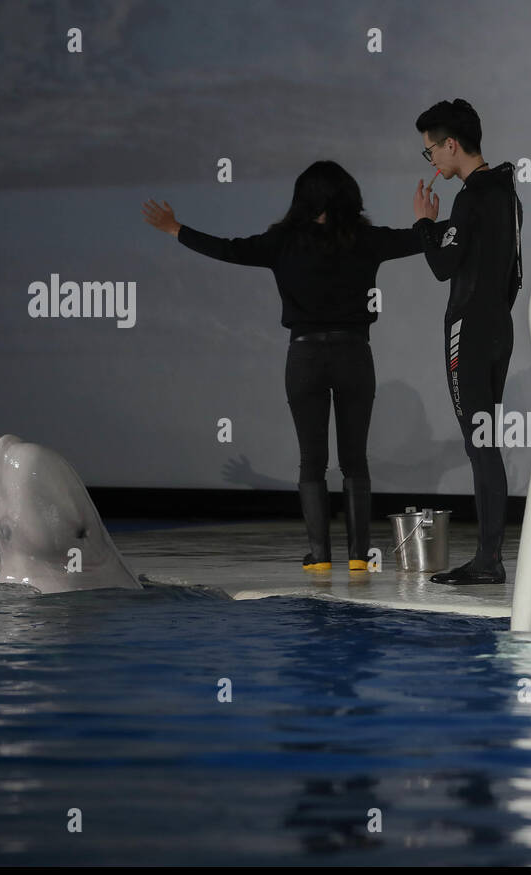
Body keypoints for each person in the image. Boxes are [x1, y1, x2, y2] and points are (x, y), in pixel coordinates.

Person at [142, 161, 422, 571]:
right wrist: (425, 222)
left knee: (312, 461)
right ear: (349, 196)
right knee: (354, 460)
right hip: (354, 354)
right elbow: (416, 242)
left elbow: (229, 248)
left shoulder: (283, 241)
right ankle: (360, 558)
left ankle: (320, 559)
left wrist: (175, 229)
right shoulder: (364, 238)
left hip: (305, 356)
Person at [411, 99, 523, 585]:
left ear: (451, 144)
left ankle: (488, 560)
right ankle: (489, 556)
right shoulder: (506, 191)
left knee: (480, 446)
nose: (432, 161)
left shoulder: (472, 195)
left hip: (470, 330)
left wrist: (424, 224)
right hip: (499, 325)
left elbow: (441, 267)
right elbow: (514, 272)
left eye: (430, 151)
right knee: (487, 441)